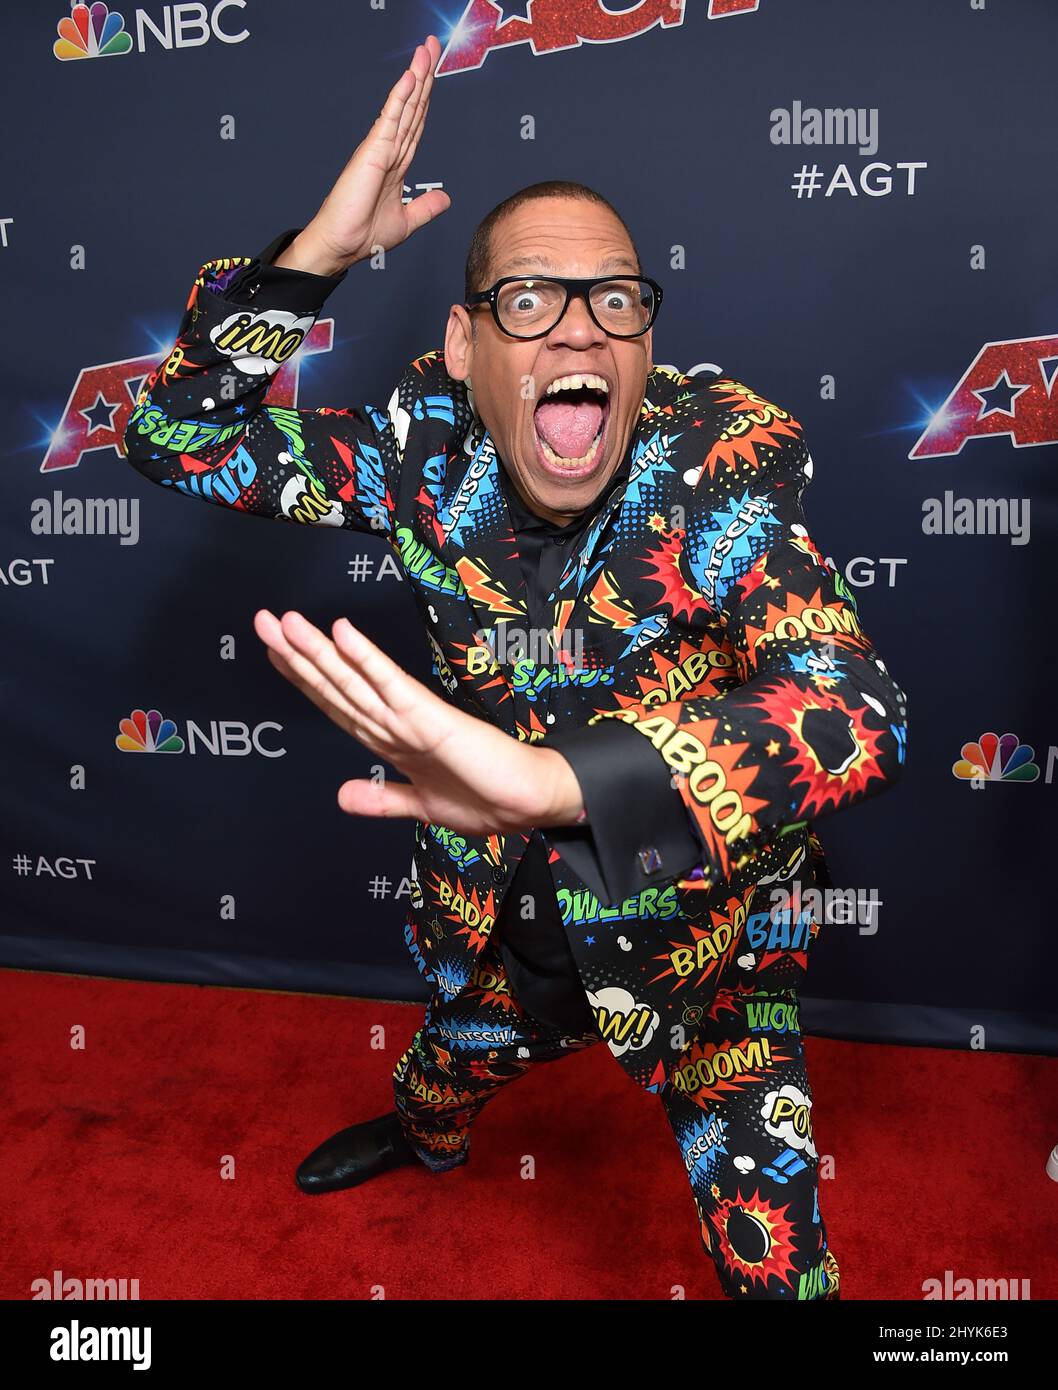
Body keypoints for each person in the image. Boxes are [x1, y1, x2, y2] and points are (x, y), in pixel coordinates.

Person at [122, 34, 908, 1300]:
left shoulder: (718, 467)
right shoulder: (418, 453)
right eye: (528, 302)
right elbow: (175, 437)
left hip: (701, 951)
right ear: (463, 344)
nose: (578, 332)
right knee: (444, 1072)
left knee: (783, 1275)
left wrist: (559, 784)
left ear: (644, 345)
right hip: (498, 924)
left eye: (615, 301)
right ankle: (427, 1138)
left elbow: (853, 711)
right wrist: (321, 251)